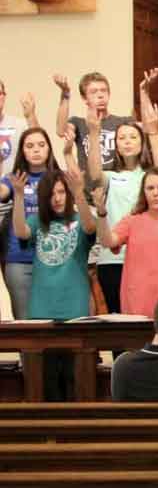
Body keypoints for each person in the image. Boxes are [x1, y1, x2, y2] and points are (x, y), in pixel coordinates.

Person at [9, 167, 96, 399]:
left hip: (74, 309)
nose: (57, 199)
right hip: (42, 309)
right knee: (46, 380)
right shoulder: (37, 222)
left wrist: (79, 192)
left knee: (73, 379)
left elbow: (90, 227)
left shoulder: (79, 219)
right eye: (51, 194)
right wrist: (18, 195)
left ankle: (75, 432)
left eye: (61, 192)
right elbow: (21, 231)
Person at [86, 81, 158, 314]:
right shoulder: (111, 176)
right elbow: (93, 173)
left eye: (133, 137)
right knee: (116, 320)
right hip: (113, 259)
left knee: (145, 318)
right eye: (122, 138)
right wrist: (93, 133)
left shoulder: (150, 177)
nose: (128, 141)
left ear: (142, 143)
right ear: (116, 146)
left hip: (146, 256)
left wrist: (152, 131)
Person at [95, 166, 158, 318]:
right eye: (150, 188)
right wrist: (101, 213)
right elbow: (108, 241)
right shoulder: (132, 221)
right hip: (137, 305)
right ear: (143, 192)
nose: (155, 193)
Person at [0, 126, 60, 320]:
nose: (36, 150)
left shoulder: (59, 177)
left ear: (49, 149)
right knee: (26, 324)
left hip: (53, 259)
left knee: (54, 322)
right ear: (22, 151)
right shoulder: (15, 178)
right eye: (30, 146)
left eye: (41, 145)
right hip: (19, 259)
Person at [53, 71, 133, 171]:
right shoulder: (78, 123)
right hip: (88, 182)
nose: (100, 95)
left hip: (116, 181)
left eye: (103, 90)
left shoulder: (123, 122)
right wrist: (65, 94)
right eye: (94, 92)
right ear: (84, 98)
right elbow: (61, 131)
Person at [0, 80, 36, 178]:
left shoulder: (19, 125)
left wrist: (31, 116)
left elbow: (39, 142)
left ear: (4, 97)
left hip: (15, 188)